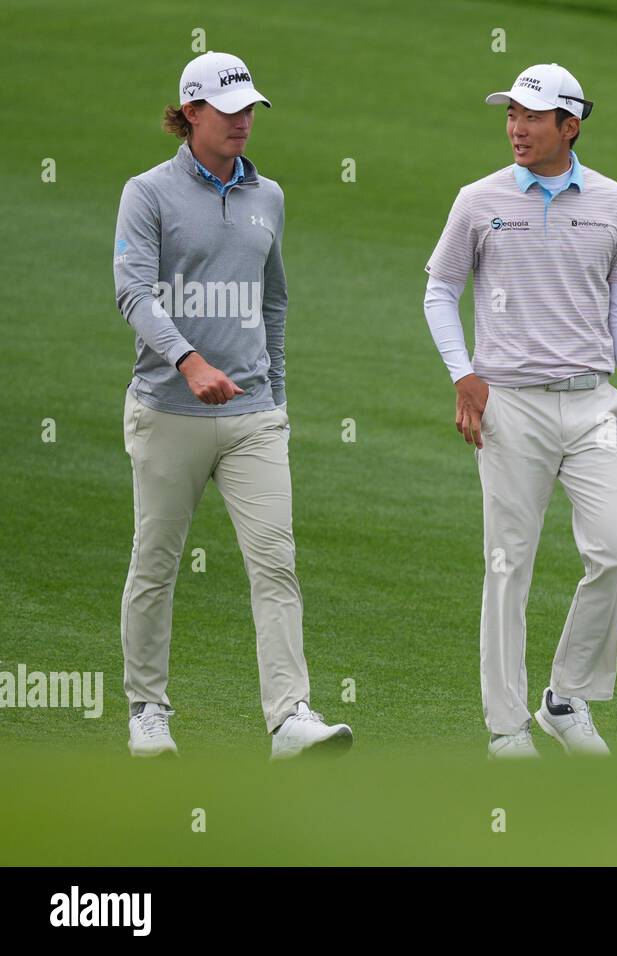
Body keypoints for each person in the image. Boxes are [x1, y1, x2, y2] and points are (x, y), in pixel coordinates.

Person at [112, 51, 352, 760]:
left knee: (276, 565)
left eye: (251, 108)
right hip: (167, 410)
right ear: (191, 113)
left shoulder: (267, 196)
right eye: (229, 109)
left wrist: (274, 391)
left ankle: (289, 719)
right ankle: (147, 713)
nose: (244, 120)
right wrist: (187, 361)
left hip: (252, 418)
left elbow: (274, 299)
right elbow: (133, 293)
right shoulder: (147, 193)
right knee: (154, 564)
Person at [423, 63, 617, 758]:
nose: (516, 129)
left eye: (531, 117)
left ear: (569, 126)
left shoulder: (614, 202)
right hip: (509, 406)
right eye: (510, 116)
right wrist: (463, 375)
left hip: (592, 404)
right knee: (507, 564)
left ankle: (564, 696)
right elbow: (440, 291)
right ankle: (506, 728)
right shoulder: (478, 199)